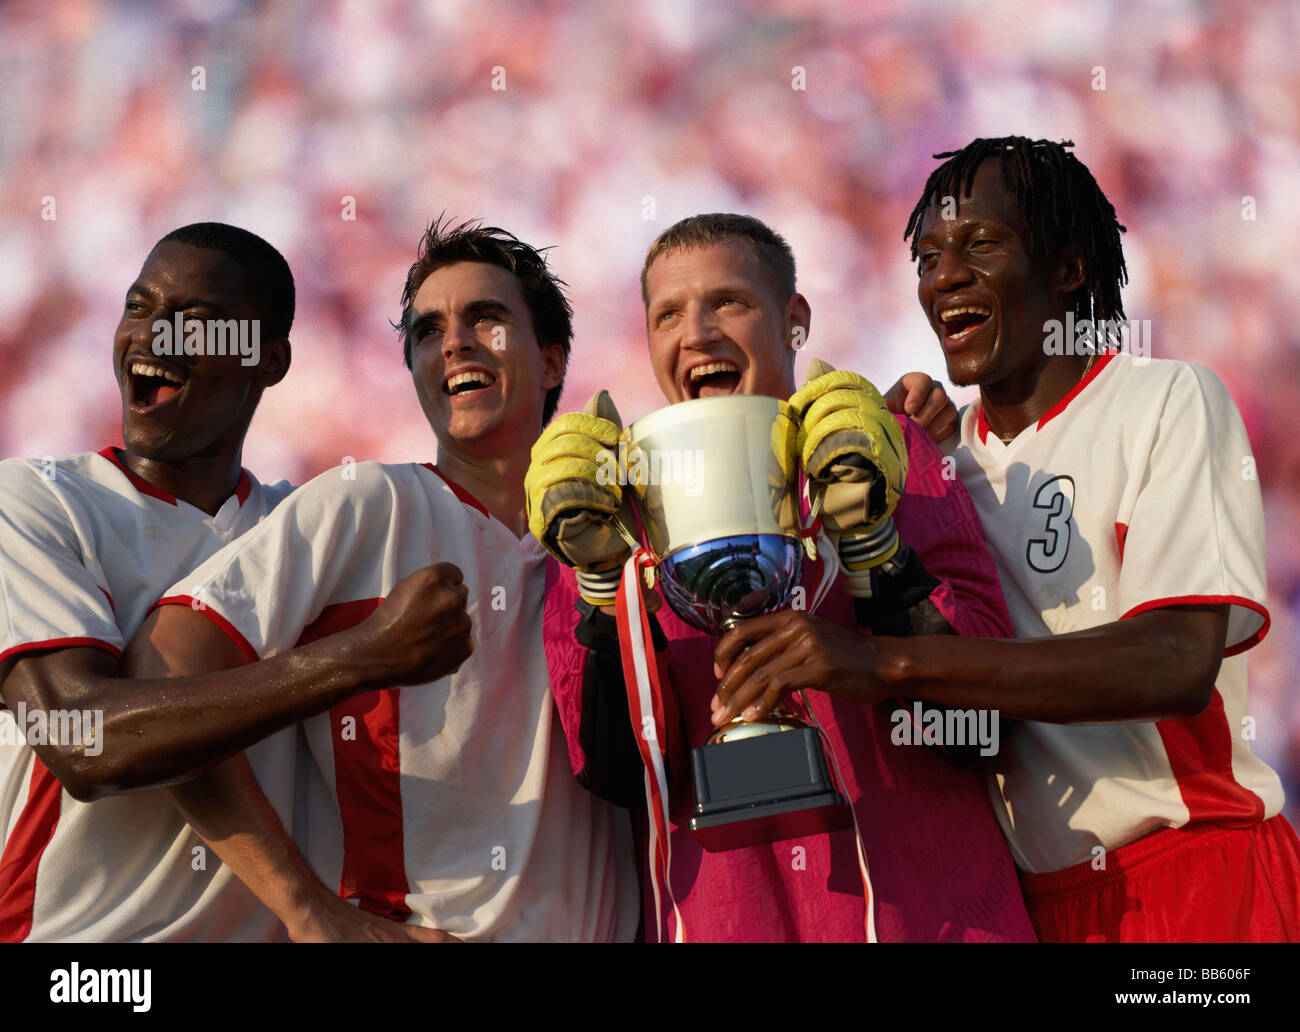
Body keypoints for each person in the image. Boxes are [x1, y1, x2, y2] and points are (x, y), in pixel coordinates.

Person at [738, 137, 1300, 942]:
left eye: (981, 245)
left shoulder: (1167, 398)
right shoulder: (934, 466)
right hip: (1029, 908)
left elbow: (1173, 661)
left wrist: (882, 661)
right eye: (928, 257)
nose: (945, 276)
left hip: (1195, 880)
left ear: (1068, 268)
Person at [126, 218, 640, 942]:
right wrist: (308, 910)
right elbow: (162, 671)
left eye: (486, 318)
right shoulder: (366, 504)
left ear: (552, 362)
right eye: (429, 331)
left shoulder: (623, 536)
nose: (454, 341)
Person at [529, 213, 1037, 941]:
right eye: (667, 314)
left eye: (727, 302)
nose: (696, 333)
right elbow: (613, 771)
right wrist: (603, 589)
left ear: (793, 320)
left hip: (938, 922)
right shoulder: (607, 505)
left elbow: (986, 729)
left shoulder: (889, 452)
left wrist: (874, 558)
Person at [0, 223, 471, 942]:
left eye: (198, 320)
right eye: (139, 307)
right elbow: (83, 742)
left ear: (268, 359)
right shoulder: (37, 501)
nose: (154, 336)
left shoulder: (304, 530)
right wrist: (360, 657)